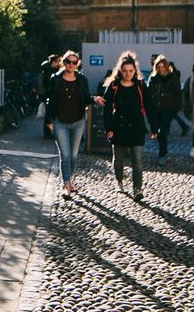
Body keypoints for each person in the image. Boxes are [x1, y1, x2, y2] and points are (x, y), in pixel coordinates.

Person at [44, 50, 105, 199]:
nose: (71, 65)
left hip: (77, 121)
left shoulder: (81, 80)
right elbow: (50, 101)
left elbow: (85, 98)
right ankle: (66, 186)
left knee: (73, 155)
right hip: (60, 122)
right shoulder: (55, 79)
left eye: (74, 62)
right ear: (63, 63)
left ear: (77, 64)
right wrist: (49, 121)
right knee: (65, 155)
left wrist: (94, 99)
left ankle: (69, 181)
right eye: (68, 62)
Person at [101, 52, 157, 202]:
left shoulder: (140, 85)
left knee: (137, 161)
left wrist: (154, 126)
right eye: (125, 71)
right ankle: (119, 181)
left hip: (137, 127)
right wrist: (108, 129)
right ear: (120, 71)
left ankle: (137, 189)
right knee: (118, 160)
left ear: (135, 70)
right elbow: (106, 109)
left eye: (131, 71)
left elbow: (149, 106)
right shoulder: (113, 86)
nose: (128, 74)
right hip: (118, 126)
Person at [147, 55, 182, 164]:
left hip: (168, 108)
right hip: (156, 109)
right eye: (159, 67)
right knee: (158, 132)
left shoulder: (172, 78)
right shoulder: (153, 78)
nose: (161, 69)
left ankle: (161, 154)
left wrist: (176, 108)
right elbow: (149, 93)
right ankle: (164, 151)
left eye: (163, 67)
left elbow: (178, 94)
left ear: (166, 67)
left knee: (162, 131)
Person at [38, 54, 61, 139]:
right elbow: (48, 84)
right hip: (48, 94)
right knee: (50, 113)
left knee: (49, 113)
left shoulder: (46, 69)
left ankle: (47, 132)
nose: (59, 63)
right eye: (58, 61)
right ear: (54, 62)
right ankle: (47, 133)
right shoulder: (49, 71)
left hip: (45, 94)